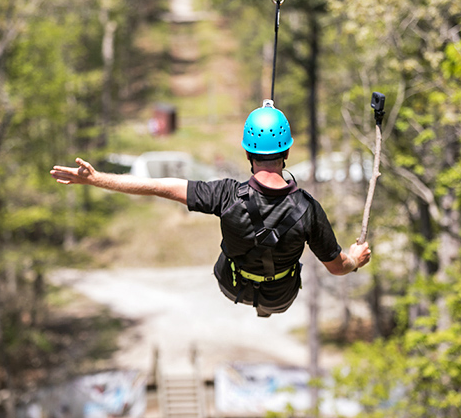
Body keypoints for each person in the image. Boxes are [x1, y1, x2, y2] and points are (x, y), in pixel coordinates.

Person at [50, 100, 371, 317]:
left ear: (247, 154)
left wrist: (97, 179)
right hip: (280, 297)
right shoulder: (307, 209)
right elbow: (337, 266)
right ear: (286, 150)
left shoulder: (226, 195)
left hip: (232, 284)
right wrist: (356, 258)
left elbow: (161, 186)